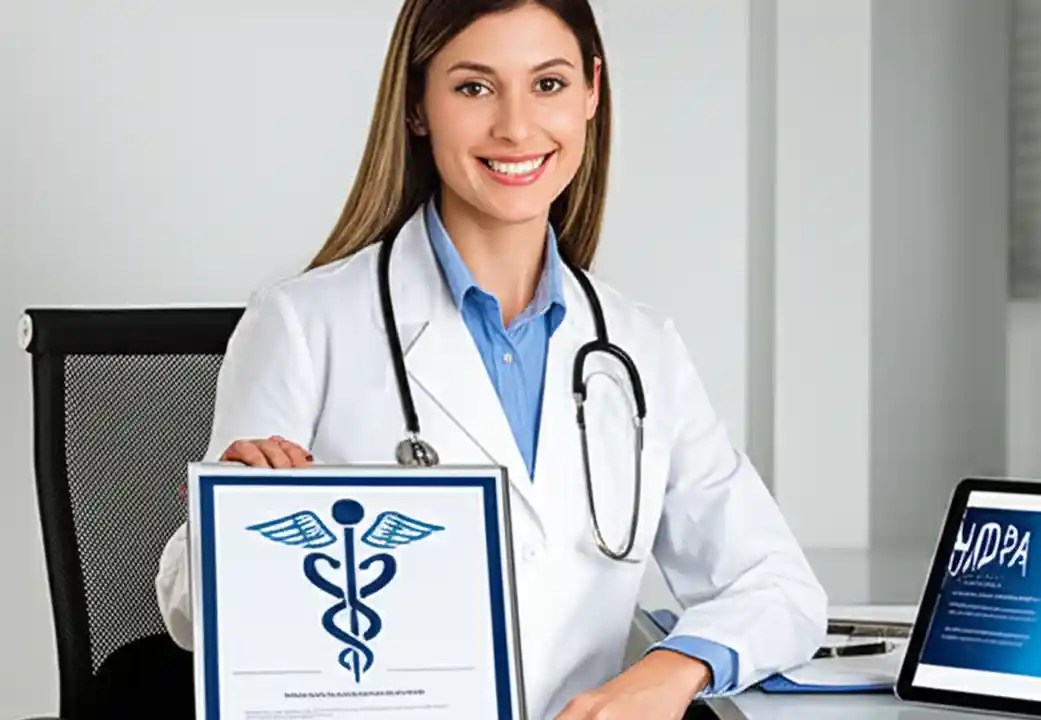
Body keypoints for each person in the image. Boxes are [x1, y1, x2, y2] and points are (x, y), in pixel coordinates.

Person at [154, 1, 826, 718]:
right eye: (474, 87)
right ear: (418, 107)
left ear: (592, 93)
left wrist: (667, 672)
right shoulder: (303, 322)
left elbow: (779, 588)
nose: (516, 127)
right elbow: (189, 609)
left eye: (549, 84)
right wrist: (245, 523)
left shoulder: (640, 347)